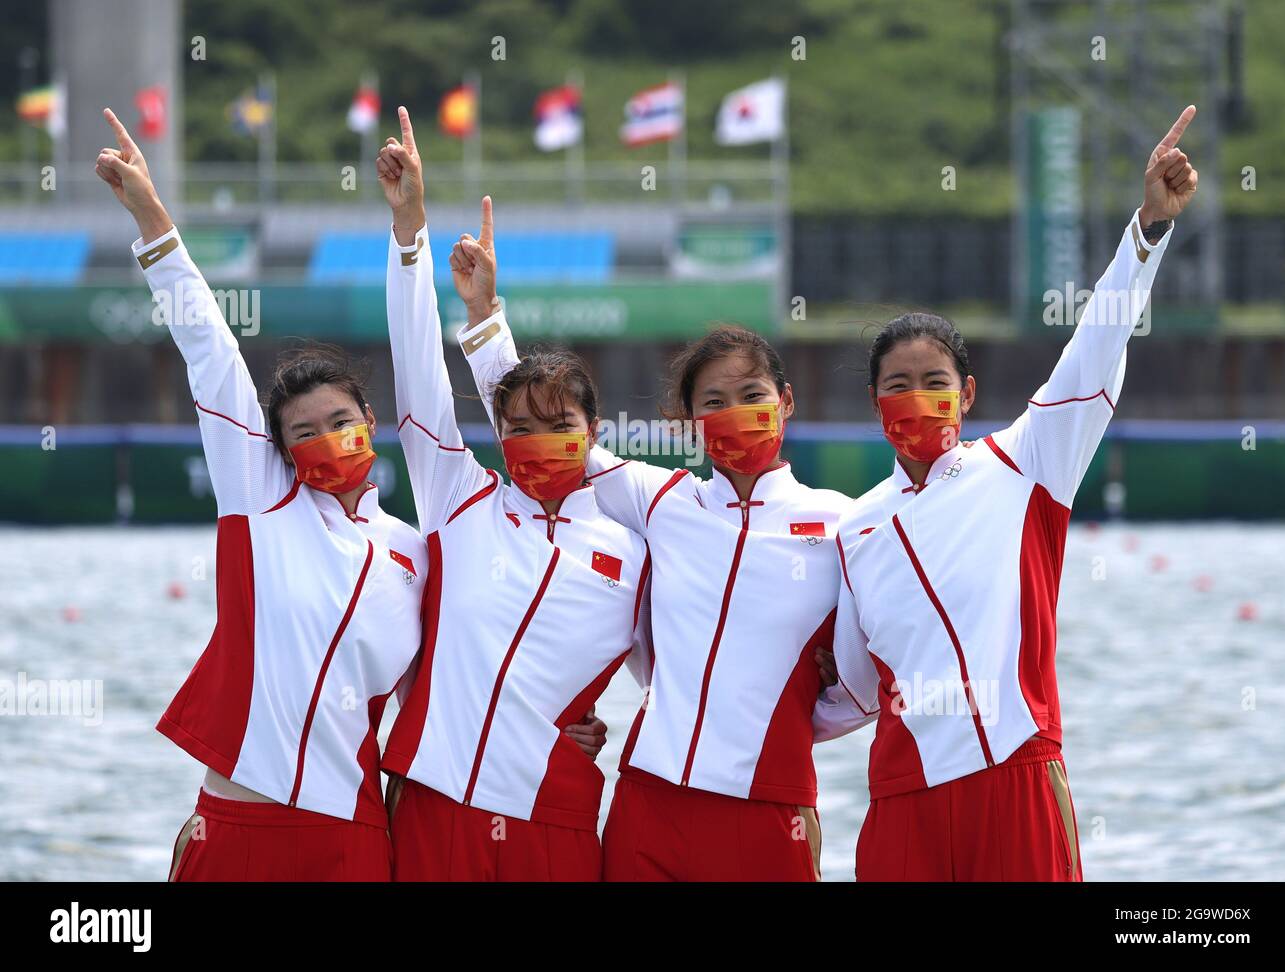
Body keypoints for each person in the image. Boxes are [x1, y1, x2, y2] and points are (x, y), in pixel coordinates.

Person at [830, 106, 1200, 881]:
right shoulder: (852, 529)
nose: (917, 398)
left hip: (1018, 775)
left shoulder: (1028, 461)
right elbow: (851, 693)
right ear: (875, 405)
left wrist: (1148, 233)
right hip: (902, 803)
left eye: (935, 383)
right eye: (897, 386)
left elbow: (1096, 344)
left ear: (965, 393)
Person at [95, 108, 425, 881]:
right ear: (276, 453)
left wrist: (566, 722)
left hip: (356, 834)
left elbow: (464, 679)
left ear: (371, 421)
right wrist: (150, 214)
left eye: (340, 421)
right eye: (302, 432)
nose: (326, 440)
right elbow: (209, 349)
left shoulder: (417, 550)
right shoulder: (262, 506)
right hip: (240, 826)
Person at [461, 262, 866, 883]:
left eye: (752, 396)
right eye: (713, 401)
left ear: (786, 401)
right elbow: (539, 426)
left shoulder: (842, 523)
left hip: (770, 810)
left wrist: (816, 707)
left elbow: (882, 662)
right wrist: (486, 316)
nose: (734, 412)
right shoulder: (662, 499)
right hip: (649, 799)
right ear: (687, 419)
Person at [374, 109, 650, 881]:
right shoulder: (456, 494)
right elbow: (418, 374)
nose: (537, 441)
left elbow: (692, 662)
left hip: (556, 820)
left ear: (594, 428)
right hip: (436, 806)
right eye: (518, 428)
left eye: (559, 425)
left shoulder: (632, 549)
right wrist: (410, 231)